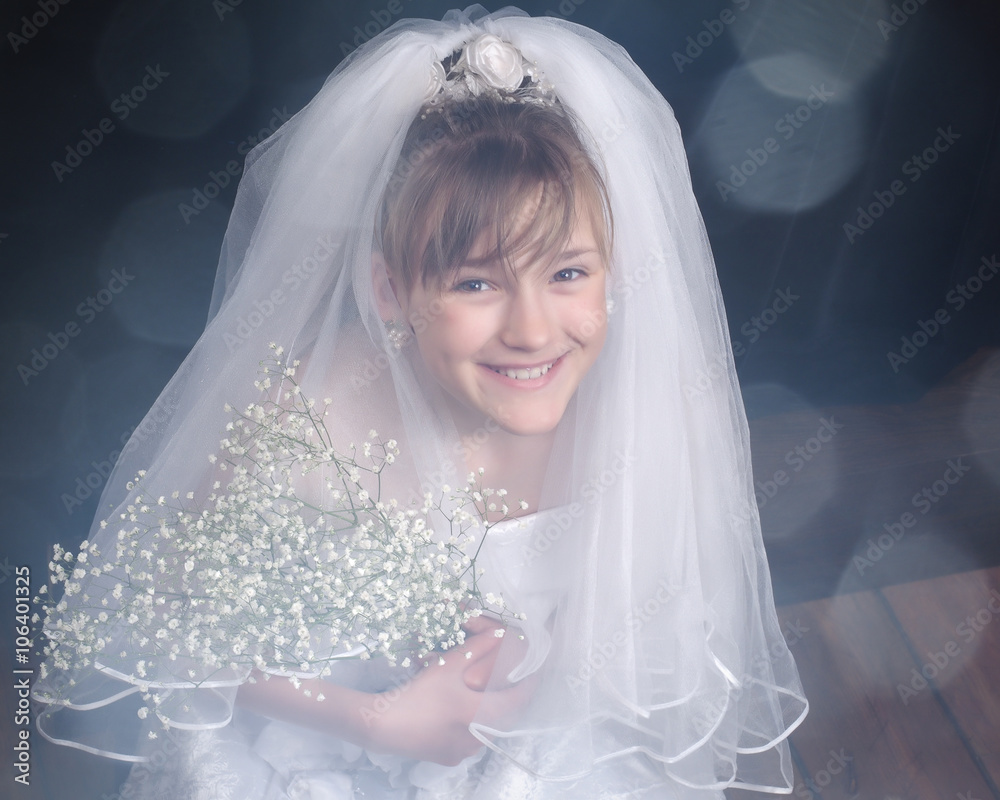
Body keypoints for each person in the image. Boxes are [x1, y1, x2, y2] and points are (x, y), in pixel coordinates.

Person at [32, 6, 807, 798]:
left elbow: (656, 623)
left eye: (568, 272)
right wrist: (376, 719)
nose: (533, 329)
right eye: (476, 282)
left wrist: (545, 654)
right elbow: (163, 625)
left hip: (540, 740)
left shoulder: (644, 413)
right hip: (325, 740)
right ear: (391, 292)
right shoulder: (308, 414)